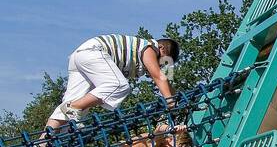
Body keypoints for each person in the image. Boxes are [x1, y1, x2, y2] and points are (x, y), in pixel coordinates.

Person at [45, 34, 180, 130]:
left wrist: (175, 98)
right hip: (94, 52)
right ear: (161, 48)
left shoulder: (146, 53)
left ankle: (44, 142)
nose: (160, 66)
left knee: (74, 100)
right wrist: (170, 102)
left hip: (80, 56)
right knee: (119, 85)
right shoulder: (150, 48)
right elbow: (158, 76)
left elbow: (165, 81)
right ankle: (74, 106)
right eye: (162, 61)